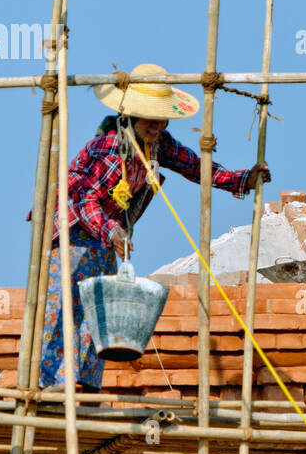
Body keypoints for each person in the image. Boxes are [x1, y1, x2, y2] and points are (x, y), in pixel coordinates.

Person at [38, 63, 271, 393]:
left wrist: (241, 179)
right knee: (64, 303)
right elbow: (86, 199)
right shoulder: (109, 147)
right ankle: (53, 383)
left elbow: (196, 167)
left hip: (105, 233)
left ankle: (83, 385)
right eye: (150, 119)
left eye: (161, 119)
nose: (157, 125)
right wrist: (111, 232)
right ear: (132, 116)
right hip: (73, 230)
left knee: (98, 306)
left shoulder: (160, 144)